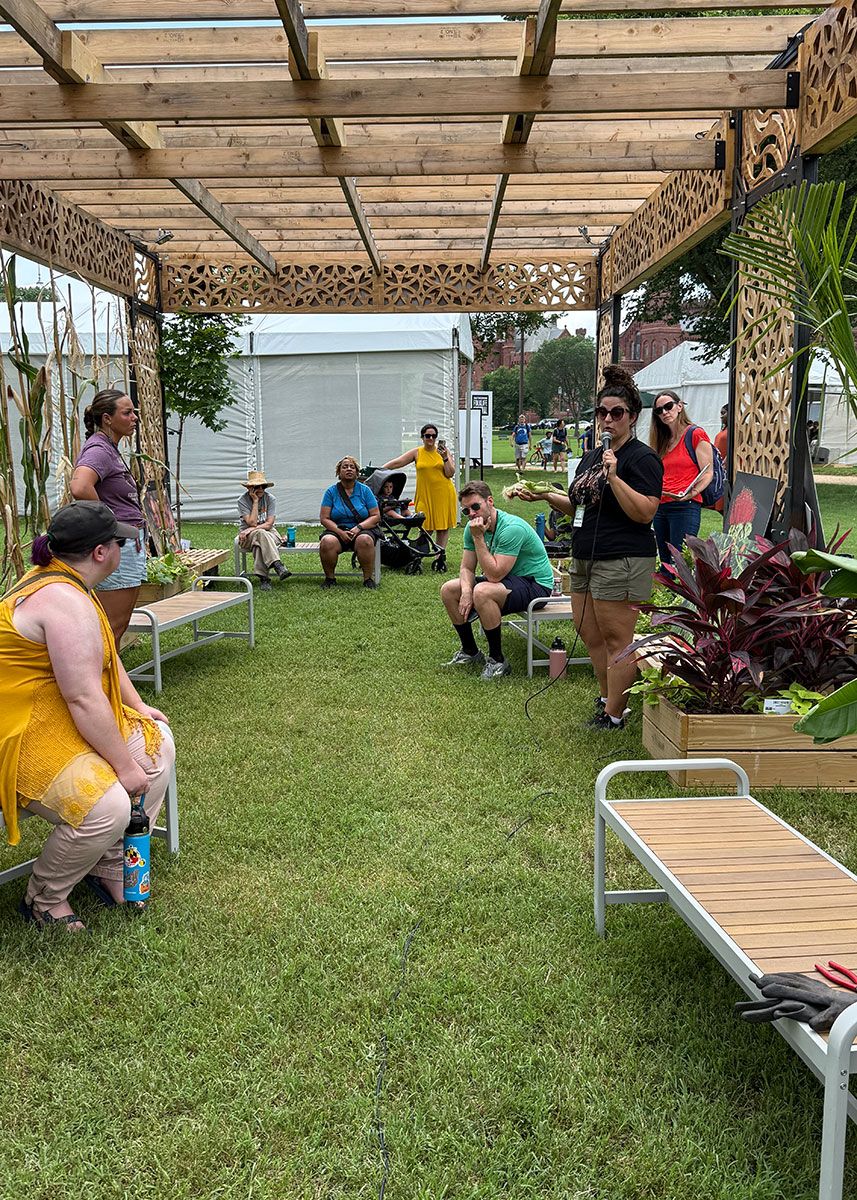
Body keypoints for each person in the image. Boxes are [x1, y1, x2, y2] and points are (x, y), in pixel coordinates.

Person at [0, 500, 176, 932]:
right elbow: (82, 698)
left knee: (157, 743)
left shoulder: (69, 581)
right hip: (22, 728)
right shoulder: (63, 601)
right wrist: (122, 765)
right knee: (108, 805)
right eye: (120, 543)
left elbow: (105, 658)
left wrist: (137, 707)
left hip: (54, 713)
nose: (125, 550)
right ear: (101, 552)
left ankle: (111, 865)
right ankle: (44, 897)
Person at [519, 366, 663, 729]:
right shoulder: (592, 456)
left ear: (632, 416)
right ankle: (606, 698)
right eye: (602, 412)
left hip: (623, 558)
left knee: (618, 640)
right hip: (586, 554)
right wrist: (545, 495)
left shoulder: (640, 459)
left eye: (617, 413)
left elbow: (644, 512)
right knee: (590, 633)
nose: (608, 419)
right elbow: (581, 508)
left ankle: (615, 714)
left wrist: (614, 477)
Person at [440, 480, 554, 681]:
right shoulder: (472, 528)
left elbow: (494, 575)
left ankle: (497, 660)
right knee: (449, 590)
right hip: (507, 580)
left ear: (490, 501)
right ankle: (470, 652)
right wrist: (466, 592)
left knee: (482, 591)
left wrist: (478, 539)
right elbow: (467, 567)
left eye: (476, 506)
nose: (472, 514)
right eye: (466, 511)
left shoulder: (511, 528)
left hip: (536, 584)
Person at [70, 388, 147, 646]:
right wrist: (109, 522)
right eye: (127, 413)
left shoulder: (109, 448)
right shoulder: (99, 449)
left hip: (124, 543)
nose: (134, 417)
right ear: (107, 418)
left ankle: (103, 681)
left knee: (114, 625)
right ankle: (100, 684)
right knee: (111, 626)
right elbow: (80, 487)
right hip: (118, 545)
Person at [649, 390, 714, 565]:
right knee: (665, 562)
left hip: (685, 505)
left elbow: (708, 472)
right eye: (659, 410)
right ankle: (667, 592)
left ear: (679, 406)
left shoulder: (695, 433)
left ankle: (681, 593)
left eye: (668, 406)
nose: (664, 412)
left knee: (681, 561)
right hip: (661, 506)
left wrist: (692, 493)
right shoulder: (660, 440)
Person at [381, 424, 457, 572]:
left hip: (443, 492)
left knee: (442, 526)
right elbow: (399, 462)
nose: (431, 439)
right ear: (422, 437)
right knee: (424, 524)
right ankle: (419, 553)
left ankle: (439, 555)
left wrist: (445, 458)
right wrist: (381, 469)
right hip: (425, 494)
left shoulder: (444, 452)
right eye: (427, 436)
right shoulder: (417, 452)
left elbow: (450, 473)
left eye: (434, 436)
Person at [319, 456, 381, 589]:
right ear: (339, 472)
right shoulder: (331, 492)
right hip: (337, 529)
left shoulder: (365, 491)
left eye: (352, 467)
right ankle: (330, 578)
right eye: (345, 467)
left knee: (365, 540)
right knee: (327, 541)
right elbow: (324, 518)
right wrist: (340, 532)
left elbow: (376, 516)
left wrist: (358, 527)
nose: (349, 469)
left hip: (362, 529)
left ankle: (367, 579)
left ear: (357, 472)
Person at [237, 470, 290, 592]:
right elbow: (252, 522)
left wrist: (250, 529)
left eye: (263, 486)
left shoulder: (270, 498)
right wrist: (255, 501)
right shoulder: (243, 500)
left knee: (259, 543)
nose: (260, 489)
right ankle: (277, 565)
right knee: (260, 535)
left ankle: (264, 579)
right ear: (250, 488)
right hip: (247, 537)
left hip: (268, 533)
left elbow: (269, 523)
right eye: (256, 486)